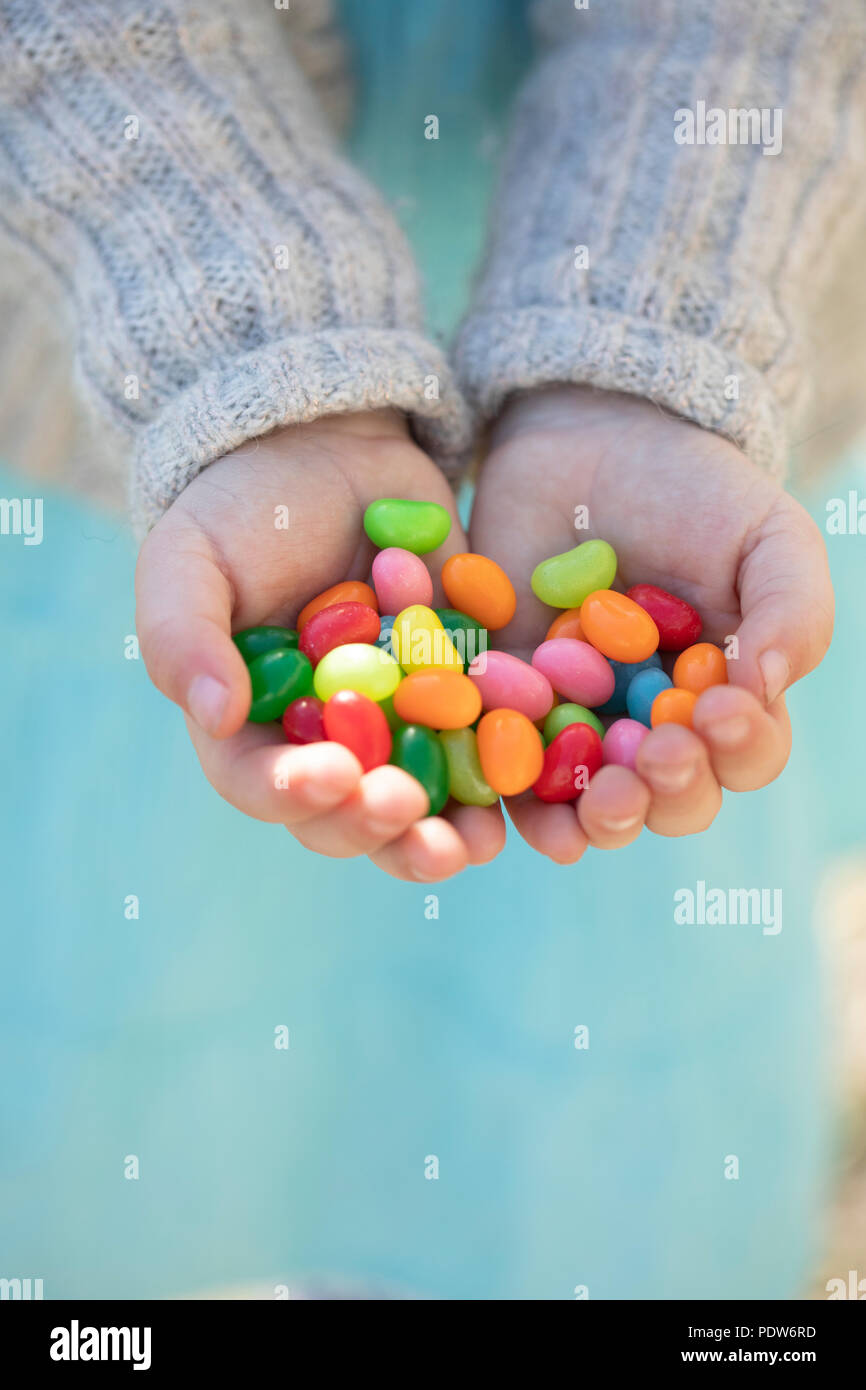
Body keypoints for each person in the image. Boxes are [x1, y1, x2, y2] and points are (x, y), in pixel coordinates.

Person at [0, 0, 862, 1298]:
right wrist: (247, 359)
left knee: (587, 966)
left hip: (682, 252)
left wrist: (644, 346)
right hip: (109, 339)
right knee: (141, 909)